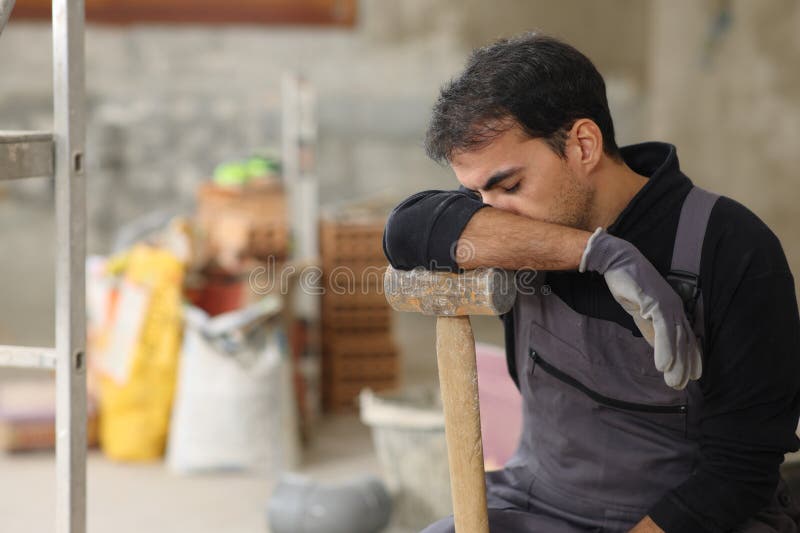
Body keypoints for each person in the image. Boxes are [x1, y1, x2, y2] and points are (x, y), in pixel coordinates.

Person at [382, 33, 800, 533]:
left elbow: (740, 471)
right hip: (544, 500)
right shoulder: (509, 225)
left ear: (583, 144)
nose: (493, 215)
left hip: (692, 517)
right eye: (476, 195)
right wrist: (598, 253)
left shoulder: (731, 245)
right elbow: (404, 230)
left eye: (510, 186)